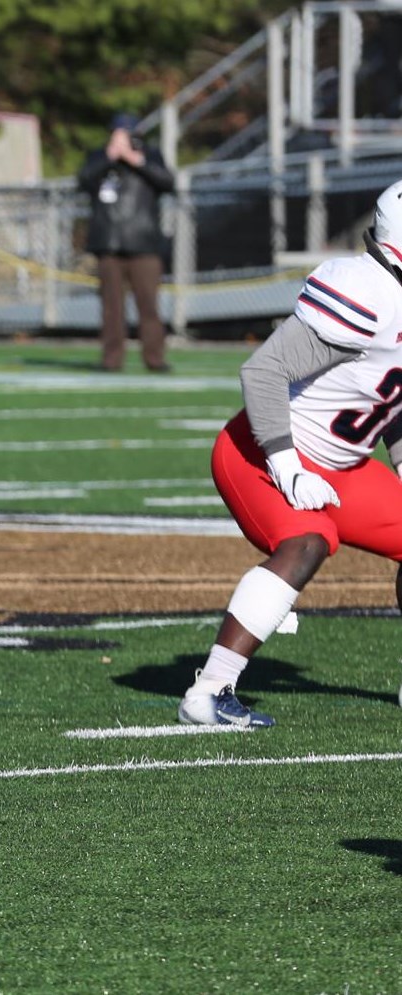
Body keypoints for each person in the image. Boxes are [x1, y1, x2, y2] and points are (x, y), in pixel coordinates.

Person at [179, 179, 402, 728]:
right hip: (262, 450)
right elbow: (262, 371)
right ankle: (207, 692)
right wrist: (287, 466)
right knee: (307, 540)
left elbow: (395, 401)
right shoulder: (367, 290)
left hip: (343, 466)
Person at [77, 111, 176, 373]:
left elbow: (167, 182)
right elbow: (83, 180)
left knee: (149, 306)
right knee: (111, 307)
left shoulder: (151, 157)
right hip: (108, 242)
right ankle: (111, 359)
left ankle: (154, 358)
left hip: (144, 243)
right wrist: (110, 157)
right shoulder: (100, 157)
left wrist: (134, 159)